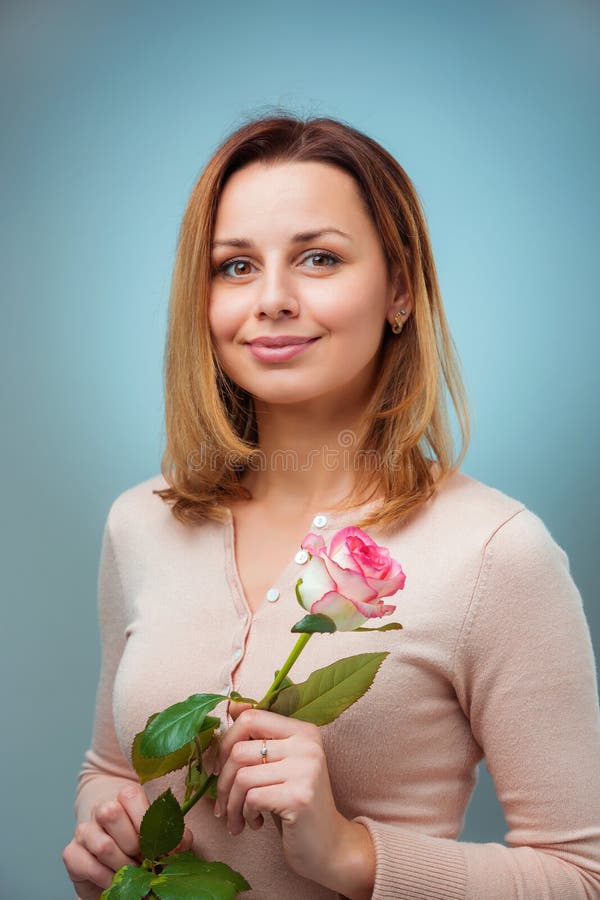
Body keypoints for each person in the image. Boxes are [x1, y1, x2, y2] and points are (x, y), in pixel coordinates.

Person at [62, 112, 600, 899]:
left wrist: (353, 855)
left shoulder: (497, 554)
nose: (272, 298)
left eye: (319, 258)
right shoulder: (139, 522)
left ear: (400, 289)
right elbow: (111, 766)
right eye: (235, 266)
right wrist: (105, 839)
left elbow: (582, 876)